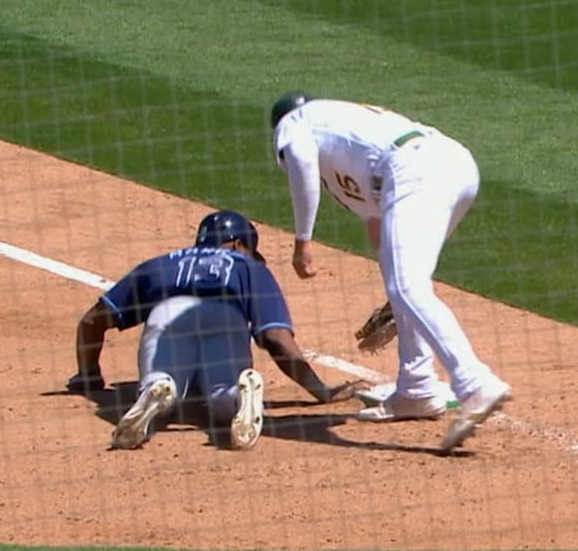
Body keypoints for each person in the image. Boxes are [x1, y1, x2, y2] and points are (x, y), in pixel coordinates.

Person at [270, 93, 511, 453]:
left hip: (415, 168)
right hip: (452, 167)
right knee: (406, 285)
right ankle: (417, 389)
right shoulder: (343, 143)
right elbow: (376, 221)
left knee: (408, 286)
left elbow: (300, 157)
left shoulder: (296, 121)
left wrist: (303, 241)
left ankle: (475, 384)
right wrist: (394, 290)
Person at [66, 209, 366, 450]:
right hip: (227, 319)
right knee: (222, 402)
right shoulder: (248, 267)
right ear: (238, 244)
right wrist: (321, 391)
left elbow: (93, 320)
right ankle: (240, 397)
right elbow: (276, 339)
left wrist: (88, 375)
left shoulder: (160, 264)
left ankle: (156, 391)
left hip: (168, 315)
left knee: (164, 385)